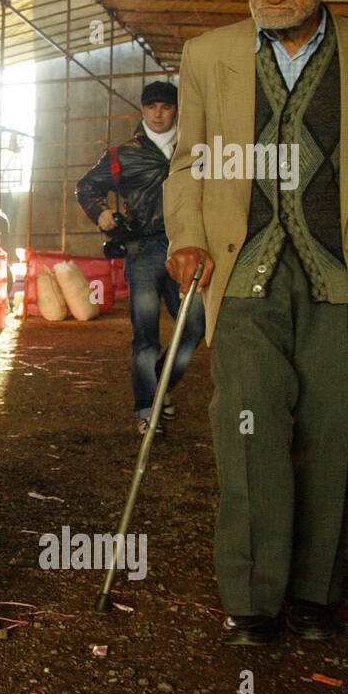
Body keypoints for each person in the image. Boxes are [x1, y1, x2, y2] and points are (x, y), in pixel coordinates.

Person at [164, 0, 348, 646]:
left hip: (344, 278)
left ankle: (316, 594)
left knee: (328, 438)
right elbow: (190, 160)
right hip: (242, 276)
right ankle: (253, 601)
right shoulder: (211, 54)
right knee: (248, 436)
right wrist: (186, 234)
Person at [77, 81, 205, 436]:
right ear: (143, 110)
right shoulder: (123, 154)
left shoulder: (196, 148)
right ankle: (147, 409)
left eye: (166, 106)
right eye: (152, 107)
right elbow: (85, 186)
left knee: (196, 326)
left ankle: (159, 385)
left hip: (189, 246)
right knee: (145, 335)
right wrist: (100, 212)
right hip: (144, 249)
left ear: (176, 109)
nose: (159, 113)